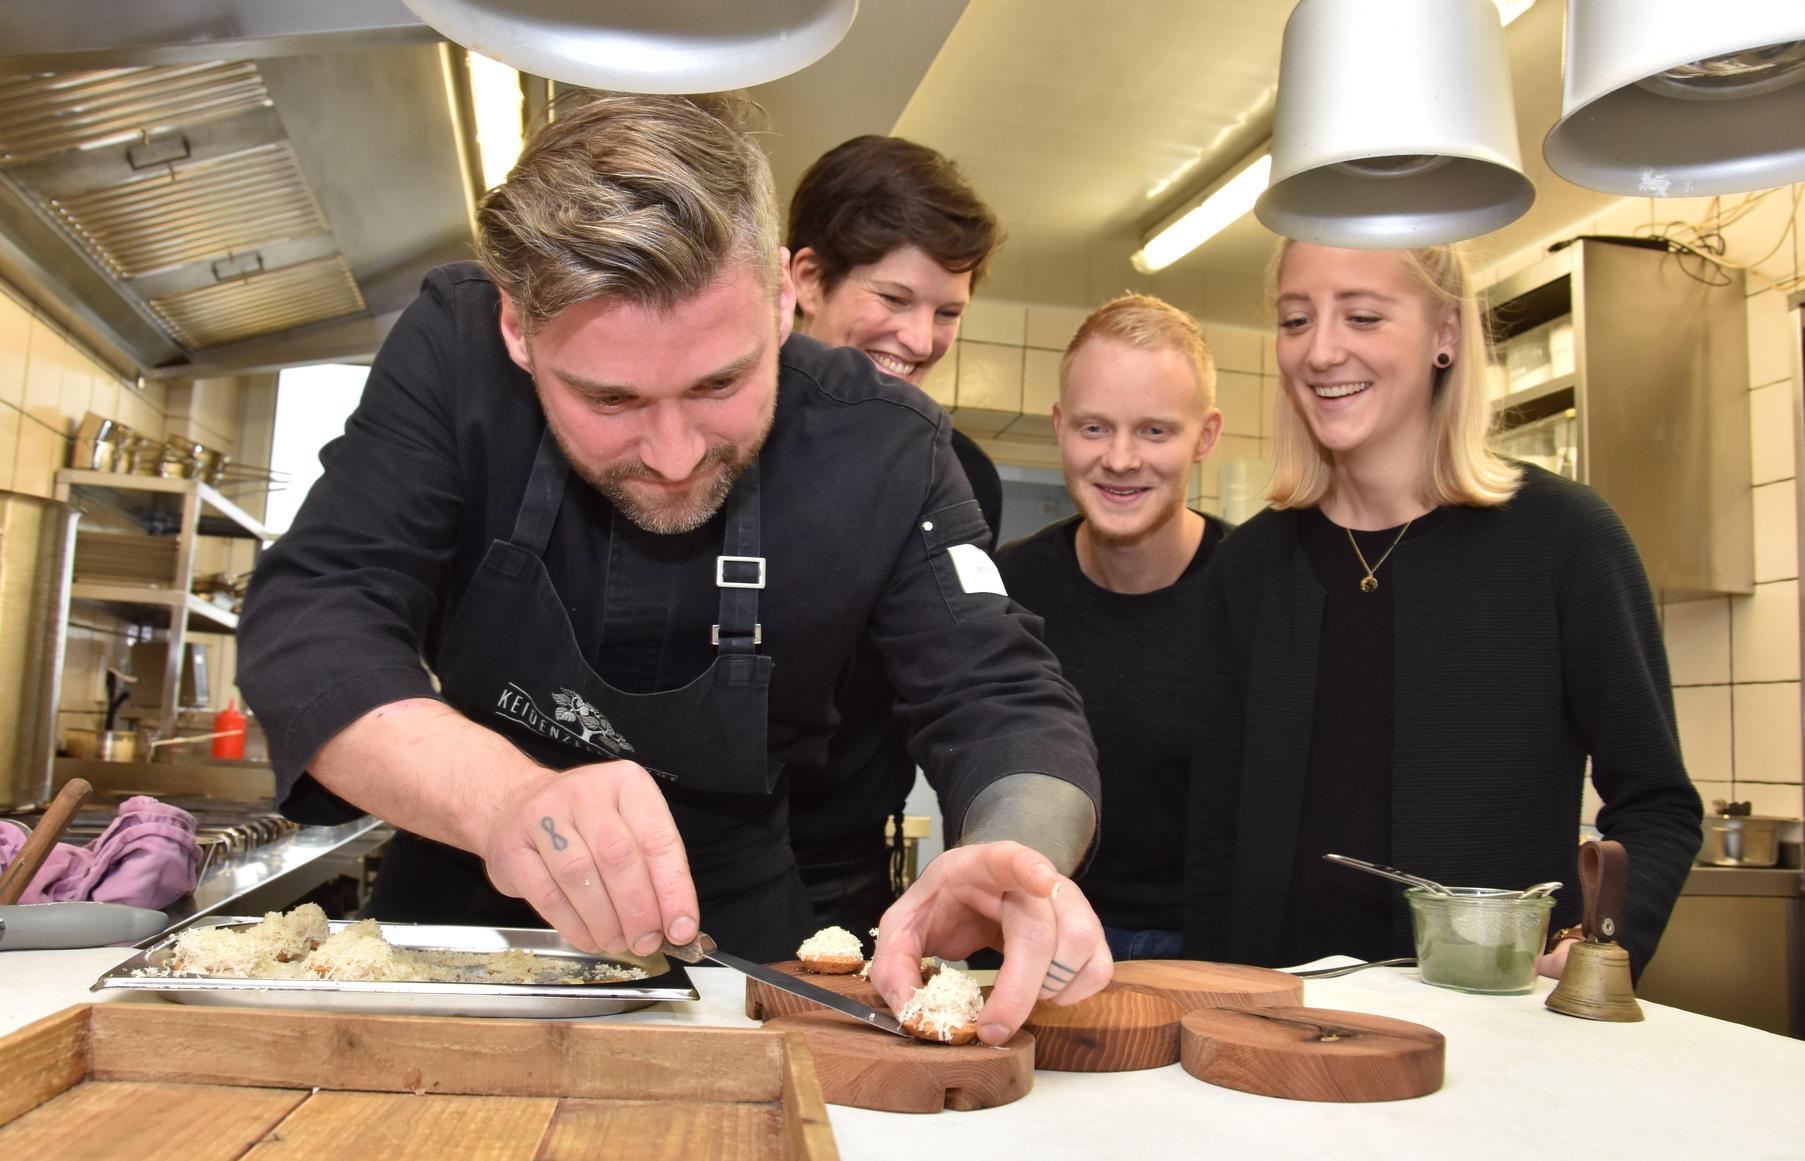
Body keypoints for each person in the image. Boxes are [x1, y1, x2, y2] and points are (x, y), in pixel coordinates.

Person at [236, 93, 1111, 1042]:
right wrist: (507, 799)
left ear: (782, 296)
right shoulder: (453, 354)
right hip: (461, 917)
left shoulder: (886, 445)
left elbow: (1005, 698)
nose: (672, 453)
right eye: (608, 397)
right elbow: (314, 618)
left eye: (720, 383)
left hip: (737, 946)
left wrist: (1013, 853)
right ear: (518, 332)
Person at [1181, 241, 1702, 980]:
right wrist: (1208, 1001)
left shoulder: (1564, 539)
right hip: (1277, 1030)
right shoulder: (1250, 566)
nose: (1321, 351)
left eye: (1361, 315)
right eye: (1295, 320)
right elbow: (1216, 839)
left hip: (1491, 1032)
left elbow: (1657, 804)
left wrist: (1593, 944)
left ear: (1446, 335)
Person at [783, 134, 1004, 937]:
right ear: (806, 278)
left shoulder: (956, 477)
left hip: (839, 873)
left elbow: (965, 683)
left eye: (947, 311)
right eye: (894, 298)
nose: (920, 338)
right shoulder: (707, 444)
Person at [995, 295, 1226, 963]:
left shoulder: (1256, 589)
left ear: (1205, 436)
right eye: (1094, 428)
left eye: (1154, 431)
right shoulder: (1011, 589)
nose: (1120, 459)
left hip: (1209, 950)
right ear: (1059, 426)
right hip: (1029, 934)